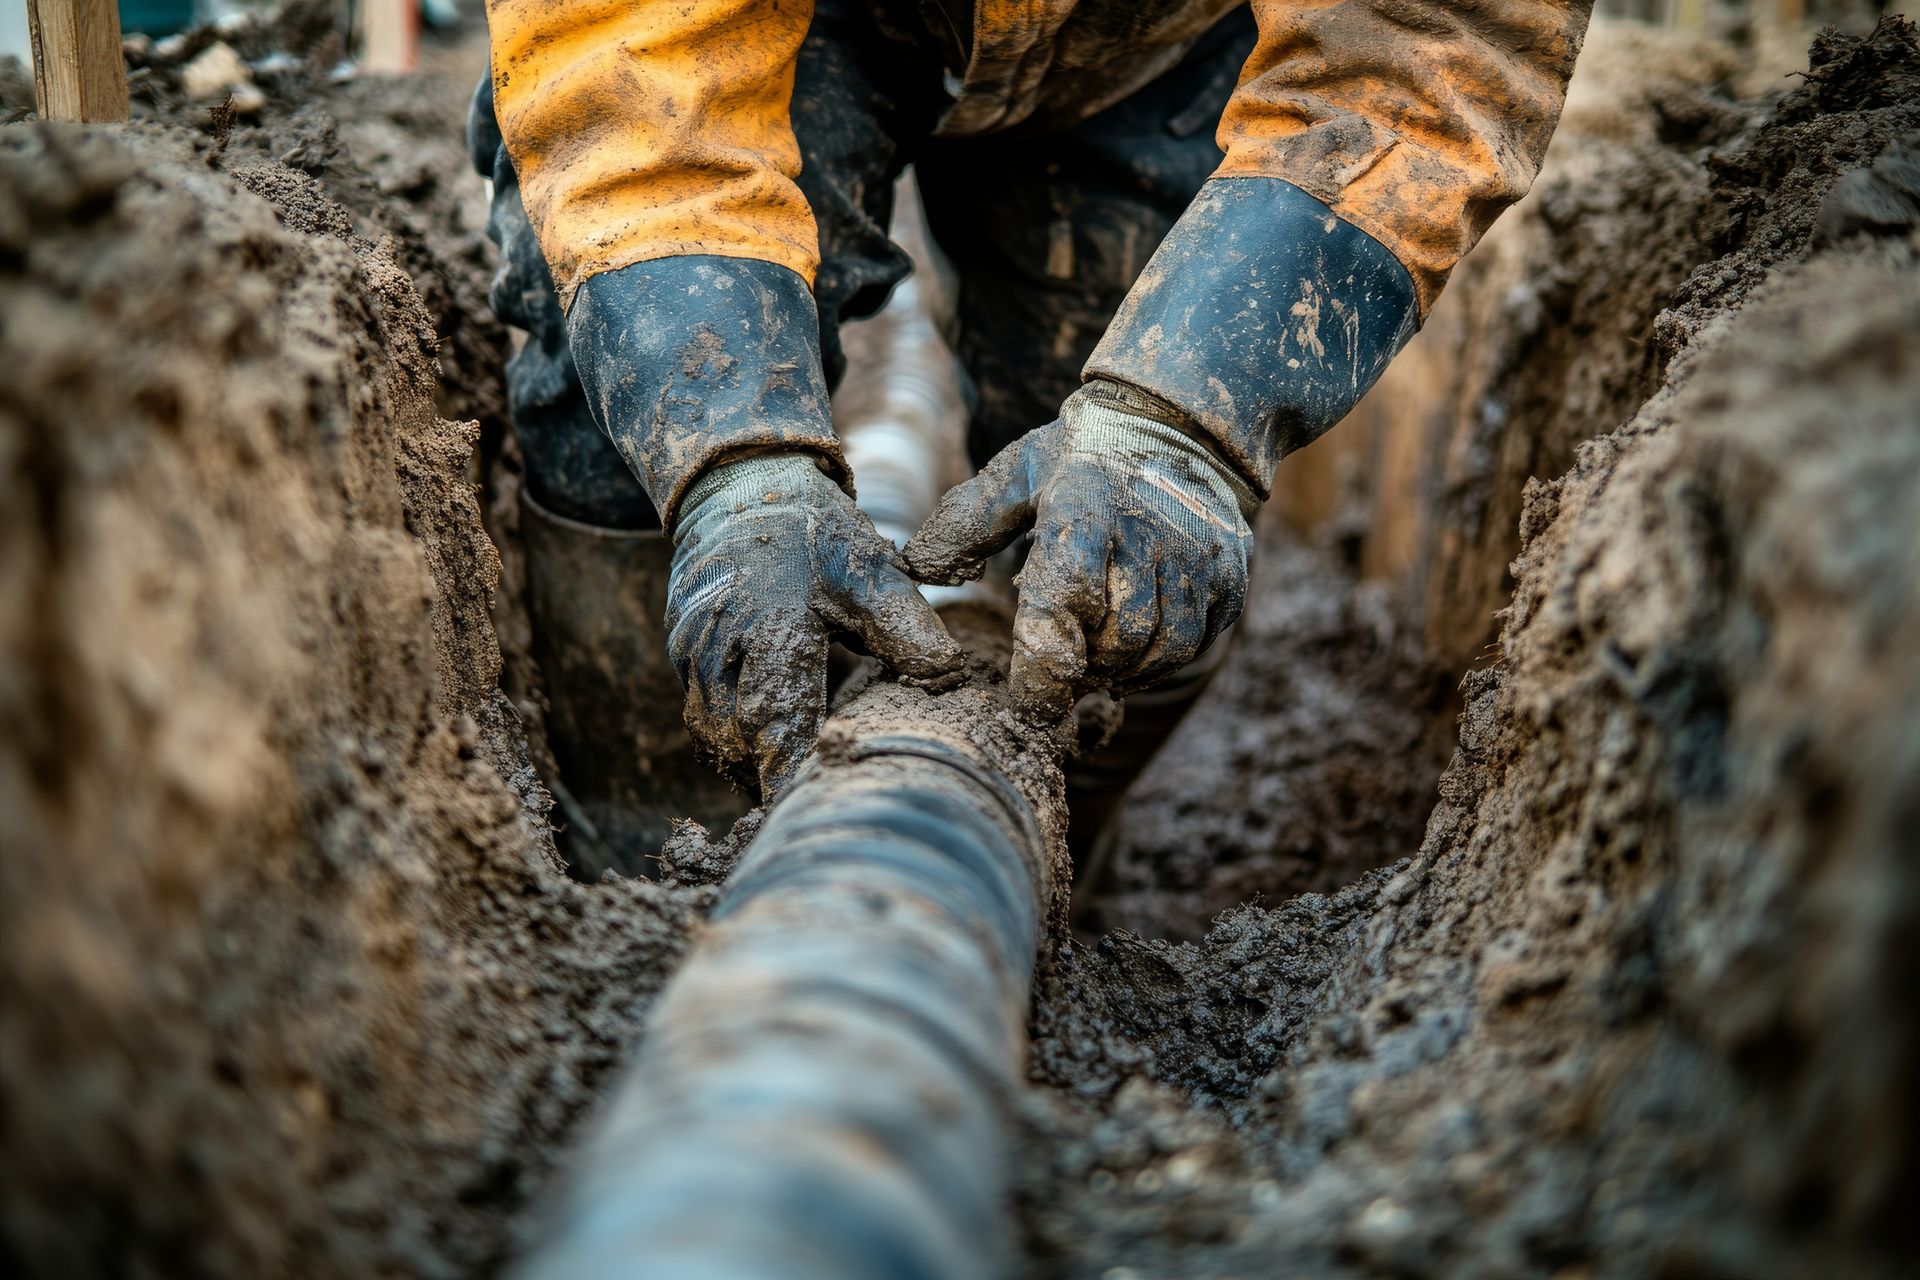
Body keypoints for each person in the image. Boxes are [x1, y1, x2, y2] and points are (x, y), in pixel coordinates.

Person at [469, 0, 1594, 835]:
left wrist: (1186, 424)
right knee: (618, 410)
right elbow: (622, 67)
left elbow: (1428, 35)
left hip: (1168, 39)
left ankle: (1043, 846)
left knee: (1126, 572)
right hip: (781, 26)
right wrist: (732, 465)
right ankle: (656, 864)